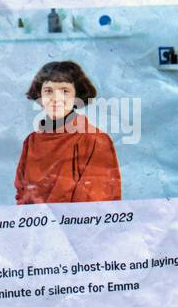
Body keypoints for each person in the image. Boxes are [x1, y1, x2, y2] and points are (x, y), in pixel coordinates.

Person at [15, 61, 122, 204]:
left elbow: (99, 204)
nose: (55, 98)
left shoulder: (95, 140)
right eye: (48, 91)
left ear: (77, 95)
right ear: (39, 94)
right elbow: (22, 196)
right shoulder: (31, 142)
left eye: (64, 91)